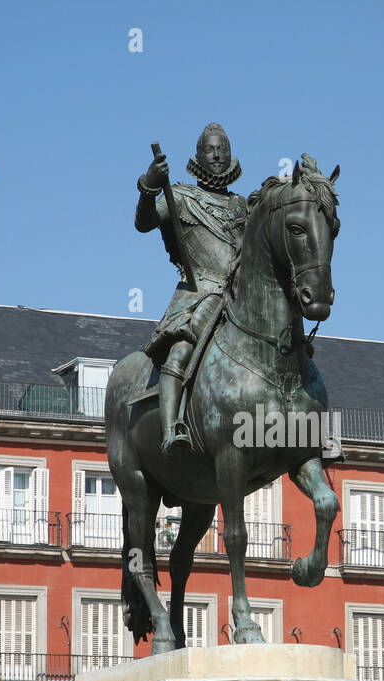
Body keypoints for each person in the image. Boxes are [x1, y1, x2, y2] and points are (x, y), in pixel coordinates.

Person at [135, 123, 247, 455]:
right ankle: (171, 431)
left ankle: (300, 436)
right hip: (198, 295)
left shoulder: (243, 206)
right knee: (181, 351)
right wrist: (149, 185)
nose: (217, 155)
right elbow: (143, 223)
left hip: (240, 297)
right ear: (198, 155)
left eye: (222, 149)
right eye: (210, 149)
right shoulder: (181, 197)